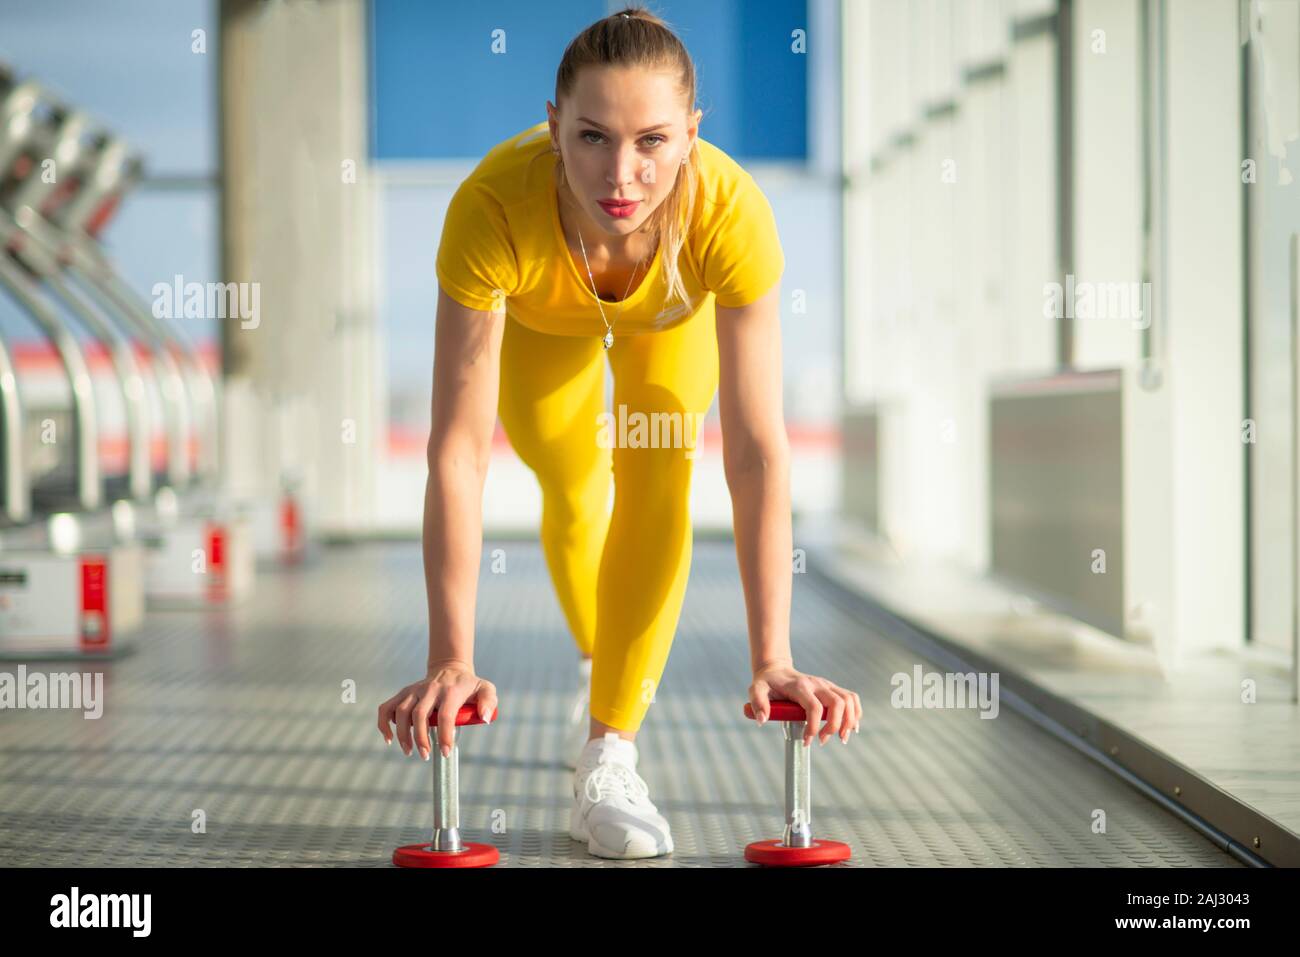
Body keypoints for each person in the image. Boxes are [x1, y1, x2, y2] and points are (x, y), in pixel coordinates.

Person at [378, 5, 861, 861]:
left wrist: (774, 654)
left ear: (692, 135)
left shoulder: (729, 214)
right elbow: (456, 450)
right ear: (553, 124)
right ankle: (604, 662)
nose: (623, 175)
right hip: (542, 325)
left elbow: (753, 451)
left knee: (659, 468)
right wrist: (452, 657)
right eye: (593, 137)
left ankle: (608, 753)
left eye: (653, 141)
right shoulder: (492, 208)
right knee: (570, 485)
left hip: (666, 324)